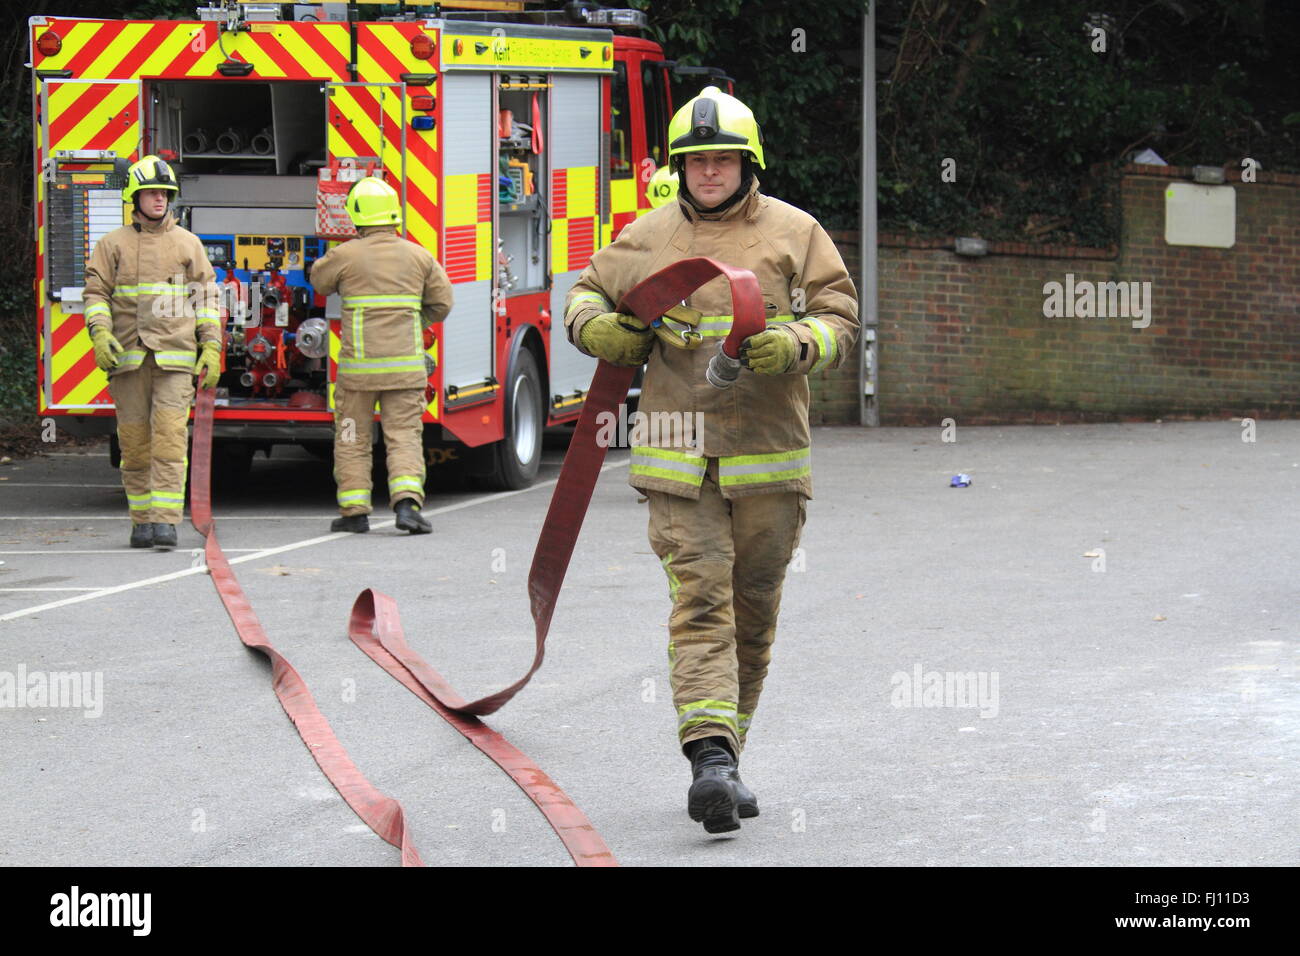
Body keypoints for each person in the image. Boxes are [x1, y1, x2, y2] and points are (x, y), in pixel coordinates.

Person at [564, 86, 859, 833]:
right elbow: (585, 294)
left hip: (769, 457)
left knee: (754, 614)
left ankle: (730, 752)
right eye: (695, 161)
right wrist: (598, 331)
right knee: (701, 604)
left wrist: (797, 343)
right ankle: (710, 760)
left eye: (722, 158)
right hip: (675, 457)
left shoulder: (797, 233)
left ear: (746, 162)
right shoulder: (649, 235)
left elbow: (841, 319)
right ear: (679, 166)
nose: (708, 172)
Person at [83, 155, 221, 551]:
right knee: (134, 442)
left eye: (164, 193)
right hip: (128, 359)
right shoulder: (112, 245)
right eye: (151, 193)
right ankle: (141, 521)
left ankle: (165, 522)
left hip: (175, 359)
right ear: (135, 198)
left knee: (169, 440)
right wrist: (100, 333)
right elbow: (96, 294)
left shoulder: (187, 244)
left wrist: (211, 344)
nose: (159, 199)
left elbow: (207, 297)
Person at [308, 176, 453, 535]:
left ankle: (355, 512)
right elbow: (443, 302)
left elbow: (318, 281)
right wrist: (416, 318)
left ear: (357, 215)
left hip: (358, 374)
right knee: (403, 435)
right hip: (405, 371)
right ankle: (407, 506)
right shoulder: (418, 255)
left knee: (351, 435)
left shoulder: (345, 255)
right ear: (393, 214)